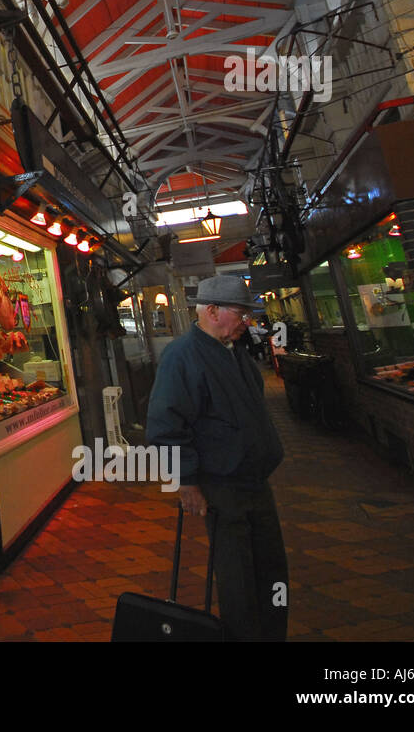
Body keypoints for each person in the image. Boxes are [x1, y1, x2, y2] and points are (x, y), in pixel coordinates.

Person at [146, 275, 288, 641]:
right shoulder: (182, 356)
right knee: (237, 573)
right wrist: (187, 482)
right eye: (241, 314)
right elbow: (166, 425)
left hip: (256, 479)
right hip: (222, 484)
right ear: (212, 311)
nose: (246, 322)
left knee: (270, 567)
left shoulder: (234, 350)